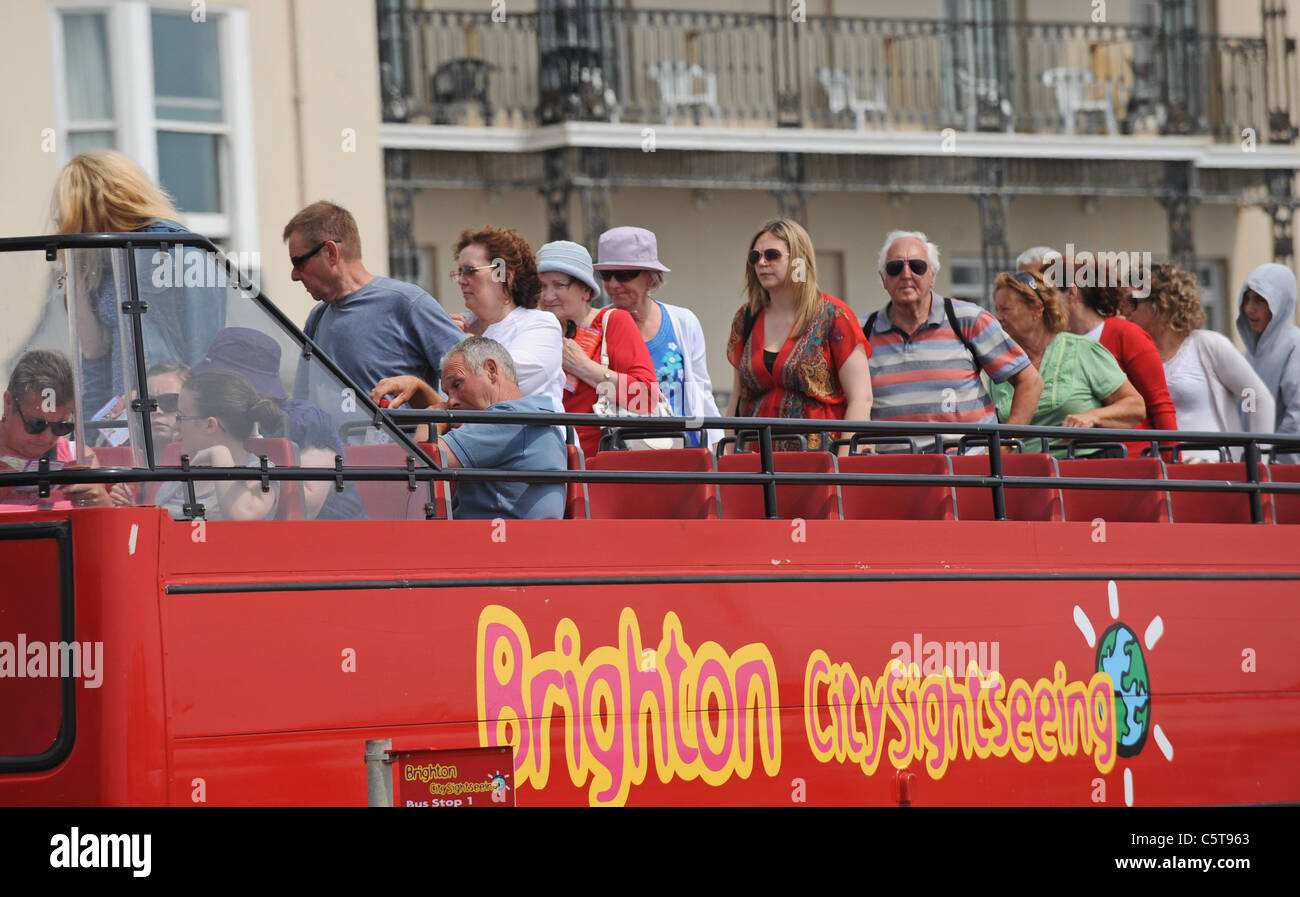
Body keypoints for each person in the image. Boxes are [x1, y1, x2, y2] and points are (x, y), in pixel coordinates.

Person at [54, 150, 225, 414]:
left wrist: (191, 423)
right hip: (125, 424)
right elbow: (94, 353)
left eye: (69, 211)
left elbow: (206, 352)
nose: (60, 220)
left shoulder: (179, 252)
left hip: (165, 420)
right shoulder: (102, 262)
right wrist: (90, 432)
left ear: (96, 205)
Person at [866, 231, 1044, 445]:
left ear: (932, 276)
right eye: (895, 268)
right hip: (895, 471)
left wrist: (1007, 444)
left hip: (968, 469)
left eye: (917, 266)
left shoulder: (967, 319)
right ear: (883, 278)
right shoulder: (863, 331)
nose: (906, 274)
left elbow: (1030, 382)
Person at [370, 338, 565, 520]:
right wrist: (420, 389)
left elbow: (417, 469)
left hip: (492, 548)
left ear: (491, 370)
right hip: (502, 543)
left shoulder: (507, 419)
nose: (451, 401)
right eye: (447, 393)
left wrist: (429, 421)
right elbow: (453, 422)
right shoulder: (529, 415)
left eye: (458, 384)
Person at [285, 201, 463, 396]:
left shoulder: (407, 303)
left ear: (330, 253)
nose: (294, 275)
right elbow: (302, 401)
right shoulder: (317, 317)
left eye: (299, 262)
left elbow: (474, 385)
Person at [724, 218, 872, 454]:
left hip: (817, 462)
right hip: (755, 461)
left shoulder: (834, 316)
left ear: (798, 261)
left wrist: (842, 468)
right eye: (755, 257)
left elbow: (861, 399)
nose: (761, 263)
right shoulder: (746, 317)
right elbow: (737, 399)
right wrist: (728, 461)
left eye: (772, 255)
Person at [1122, 263, 1275, 461]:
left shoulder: (1208, 345)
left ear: (1160, 303)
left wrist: (1257, 463)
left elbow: (1257, 398)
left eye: (1132, 303)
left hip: (1214, 474)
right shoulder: (1131, 357)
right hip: (1159, 476)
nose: (1125, 312)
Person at [593, 226, 722, 448]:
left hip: (685, 453)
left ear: (651, 278)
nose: (613, 284)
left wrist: (718, 449)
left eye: (625, 274)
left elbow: (701, 393)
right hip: (623, 457)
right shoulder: (597, 324)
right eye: (606, 275)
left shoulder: (684, 321)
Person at [990, 271, 1146, 453]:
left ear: (1037, 309)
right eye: (997, 310)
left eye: (1006, 309)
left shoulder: (1083, 350)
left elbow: (1135, 406)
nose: (998, 317)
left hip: (1081, 469)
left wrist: (1092, 417)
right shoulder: (1000, 365)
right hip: (1022, 474)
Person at [535, 240, 660, 458]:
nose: (547, 296)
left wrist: (584, 367)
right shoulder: (536, 330)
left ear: (585, 290)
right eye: (542, 286)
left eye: (559, 285)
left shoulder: (612, 321)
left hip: (599, 469)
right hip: (546, 462)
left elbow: (645, 397)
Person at [136, 370, 286, 520]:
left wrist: (219, 456)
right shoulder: (182, 474)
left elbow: (242, 515)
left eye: (181, 417)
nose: (176, 426)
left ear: (210, 425)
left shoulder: (260, 472)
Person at [449, 226, 566, 414]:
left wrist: (460, 344)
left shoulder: (540, 324)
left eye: (470, 271)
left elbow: (501, 384)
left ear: (505, 275)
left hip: (531, 440)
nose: (461, 280)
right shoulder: (458, 325)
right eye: (459, 272)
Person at [1063, 281, 1179, 437]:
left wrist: (1171, 458)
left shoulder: (1125, 334)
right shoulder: (1056, 341)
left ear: (1071, 293)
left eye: (1049, 294)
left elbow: (1160, 405)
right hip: (1083, 452)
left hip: (1133, 453)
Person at [0, 349, 109, 508]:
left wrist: (102, 505)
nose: (47, 437)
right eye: (36, 425)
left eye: (61, 427)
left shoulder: (79, 457)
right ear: (9, 403)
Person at [1237, 263, 1300, 463]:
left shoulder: (1295, 349)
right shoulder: (1247, 356)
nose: (1249, 309)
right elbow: (1245, 413)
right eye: (1246, 299)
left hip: (1285, 478)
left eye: (1260, 300)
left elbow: (1296, 418)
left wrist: (1270, 461)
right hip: (1255, 475)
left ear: (1280, 302)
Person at [145, 361, 189, 447]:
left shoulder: (208, 457)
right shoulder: (131, 455)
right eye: (148, 402)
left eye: (169, 401)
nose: (156, 410)